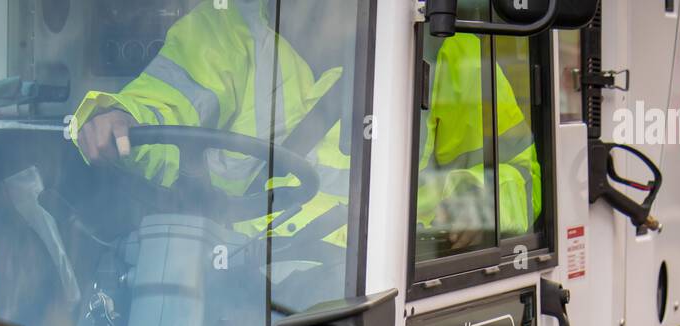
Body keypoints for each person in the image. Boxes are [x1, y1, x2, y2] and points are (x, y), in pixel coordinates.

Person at [74, 0, 541, 253]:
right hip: (242, 275)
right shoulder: (226, 31)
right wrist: (117, 120)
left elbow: (522, 177)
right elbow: (161, 105)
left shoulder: (446, 51)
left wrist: (476, 207)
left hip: (372, 284)